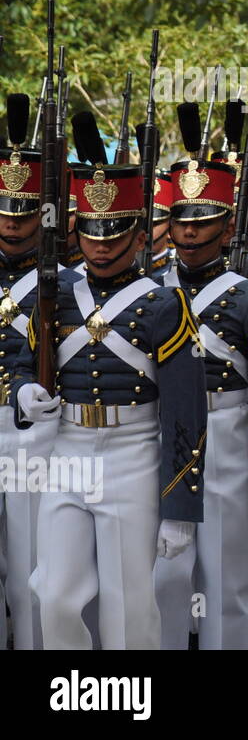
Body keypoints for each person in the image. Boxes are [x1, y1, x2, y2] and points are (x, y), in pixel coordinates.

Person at [16, 123, 208, 650]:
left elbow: (187, 413)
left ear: (142, 234)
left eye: (116, 233)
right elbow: (22, 362)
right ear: (76, 232)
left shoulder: (164, 306)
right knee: (53, 594)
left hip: (133, 453)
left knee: (128, 605)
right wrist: (21, 394)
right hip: (68, 450)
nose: (101, 247)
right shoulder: (56, 298)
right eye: (92, 233)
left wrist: (180, 507)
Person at [153, 155, 248, 650]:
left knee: (227, 579)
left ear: (228, 228)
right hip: (162, 433)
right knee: (163, 577)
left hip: (229, 437)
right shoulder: (150, 292)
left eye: (202, 223)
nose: (188, 234)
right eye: (182, 221)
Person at [0, 96, 57, 650]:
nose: (12, 221)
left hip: (29, 436)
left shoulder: (65, 284)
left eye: (24, 211)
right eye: (4, 208)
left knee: (30, 569)